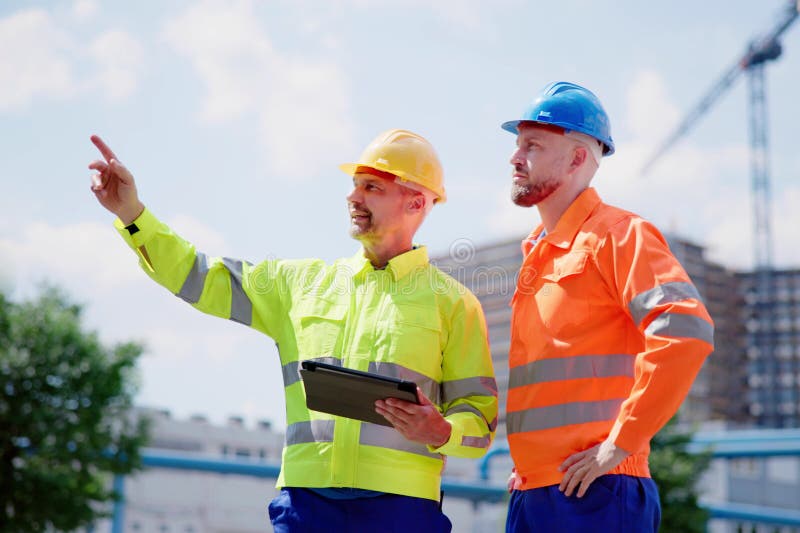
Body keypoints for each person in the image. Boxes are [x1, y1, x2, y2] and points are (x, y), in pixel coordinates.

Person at [87, 129, 497, 532]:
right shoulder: (297, 285)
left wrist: (442, 431)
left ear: (417, 201)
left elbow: (478, 419)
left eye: (372, 187)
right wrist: (132, 215)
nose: (353, 197)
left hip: (402, 511)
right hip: (305, 505)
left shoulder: (454, 304)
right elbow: (198, 276)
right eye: (355, 186)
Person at [500, 81, 714, 532]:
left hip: (597, 492)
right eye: (517, 145)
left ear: (578, 158)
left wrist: (623, 441)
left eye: (533, 146)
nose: (515, 158)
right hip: (534, 491)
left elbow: (686, 330)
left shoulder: (620, 234)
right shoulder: (538, 255)